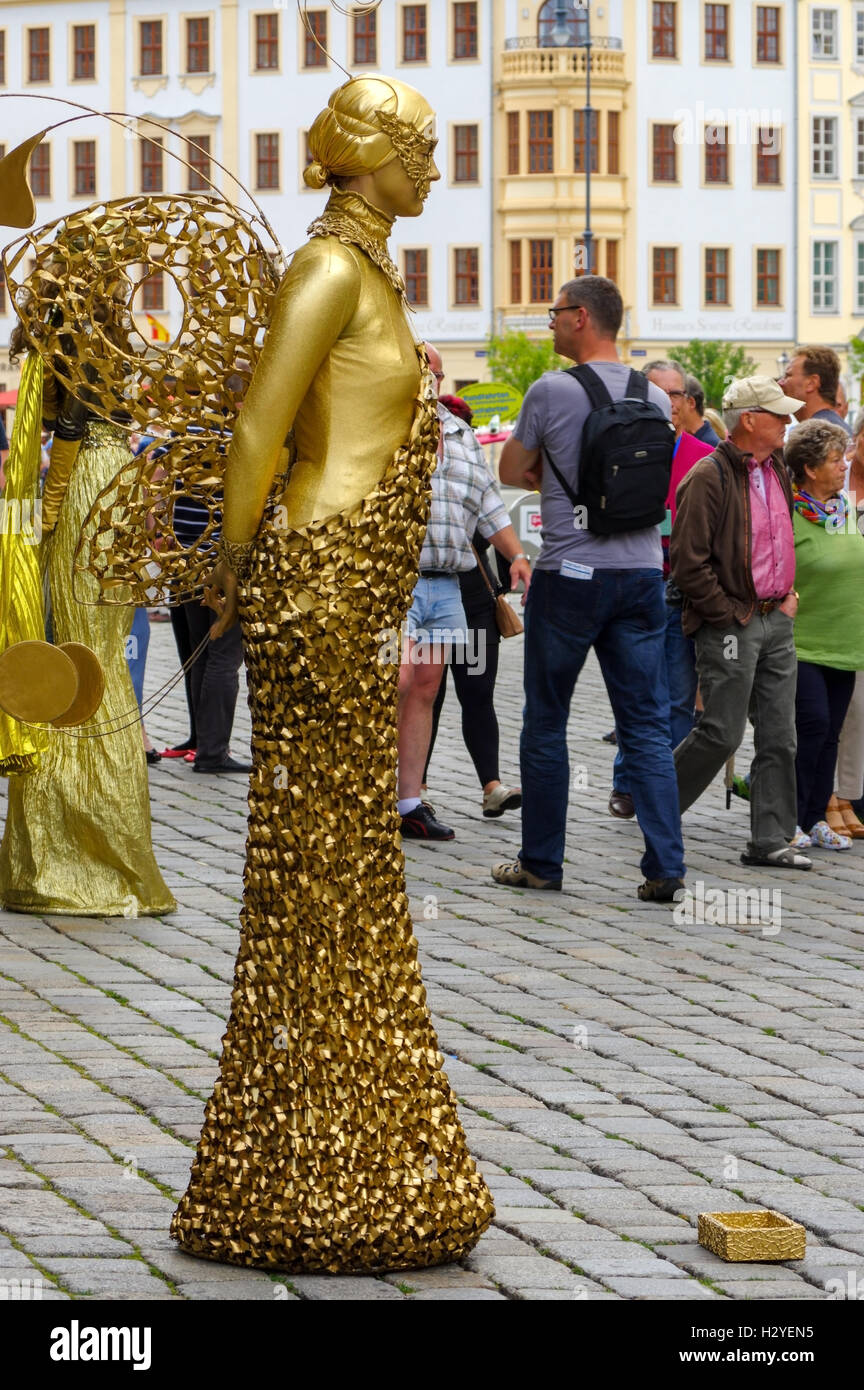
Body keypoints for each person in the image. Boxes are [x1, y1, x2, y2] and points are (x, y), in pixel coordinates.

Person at [170, 76, 495, 1271]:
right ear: (367, 162)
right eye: (422, 149)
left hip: (354, 590)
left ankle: (339, 1134)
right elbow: (261, 429)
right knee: (317, 858)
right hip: (314, 586)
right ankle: (307, 1151)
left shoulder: (370, 275)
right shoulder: (326, 273)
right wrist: (230, 580)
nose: (435, 169)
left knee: (344, 856)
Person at [490, 274, 686, 902]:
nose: (547, 322)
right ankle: (665, 867)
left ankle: (541, 862)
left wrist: (561, 470)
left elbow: (512, 470)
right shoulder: (655, 396)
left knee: (546, 722)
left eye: (554, 312)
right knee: (647, 726)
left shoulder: (550, 390)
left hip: (571, 575)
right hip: (640, 575)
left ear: (581, 317)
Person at [0, 305, 175, 917]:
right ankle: (100, 848)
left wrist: (46, 505)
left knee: (78, 658)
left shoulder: (76, 340)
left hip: (85, 486)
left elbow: (69, 428)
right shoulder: (112, 340)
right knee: (99, 659)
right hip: (115, 483)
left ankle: (67, 857)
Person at [670, 375, 808, 869]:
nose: (788, 423)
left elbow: (778, 540)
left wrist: (787, 596)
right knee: (721, 732)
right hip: (734, 622)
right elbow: (689, 562)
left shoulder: (778, 468)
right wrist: (728, 615)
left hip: (776, 618)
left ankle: (770, 840)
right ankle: (658, 812)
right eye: (779, 415)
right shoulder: (709, 475)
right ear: (749, 419)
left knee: (779, 735)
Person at [398, 351, 530, 840]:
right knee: (398, 679)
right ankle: (368, 790)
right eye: (424, 371)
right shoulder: (382, 419)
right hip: (398, 582)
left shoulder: (457, 431)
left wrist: (515, 554)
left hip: (447, 582)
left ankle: (409, 801)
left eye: (436, 373)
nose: (432, 379)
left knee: (428, 687)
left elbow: (487, 501)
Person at [609, 360, 712, 819]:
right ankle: (626, 782)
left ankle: (661, 788)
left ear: (686, 402)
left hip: (681, 586)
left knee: (675, 696)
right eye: (657, 392)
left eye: (673, 394)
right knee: (636, 688)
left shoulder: (702, 455)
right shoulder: (620, 445)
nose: (666, 403)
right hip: (634, 580)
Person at [422, 393, 523, 819]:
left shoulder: (467, 456)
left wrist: (517, 557)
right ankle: (416, 785)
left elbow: (492, 511)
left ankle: (492, 785)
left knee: (476, 692)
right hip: (426, 592)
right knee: (425, 693)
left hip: (474, 601)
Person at [784, 420, 864, 849]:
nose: (843, 466)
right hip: (803, 641)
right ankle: (790, 818)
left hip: (845, 641)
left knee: (831, 731)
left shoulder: (840, 509)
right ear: (811, 469)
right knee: (811, 726)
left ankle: (816, 817)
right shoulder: (789, 514)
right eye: (836, 460)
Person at [779, 346, 850, 433]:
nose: (780, 383)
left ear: (811, 383)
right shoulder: (844, 431)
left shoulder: (815, 437)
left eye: (788, 375)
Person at [680, 374, 720, 447]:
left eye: (676, 396)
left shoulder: (710, 445)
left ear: (691, 402)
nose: (671, 403)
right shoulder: (683, 438)